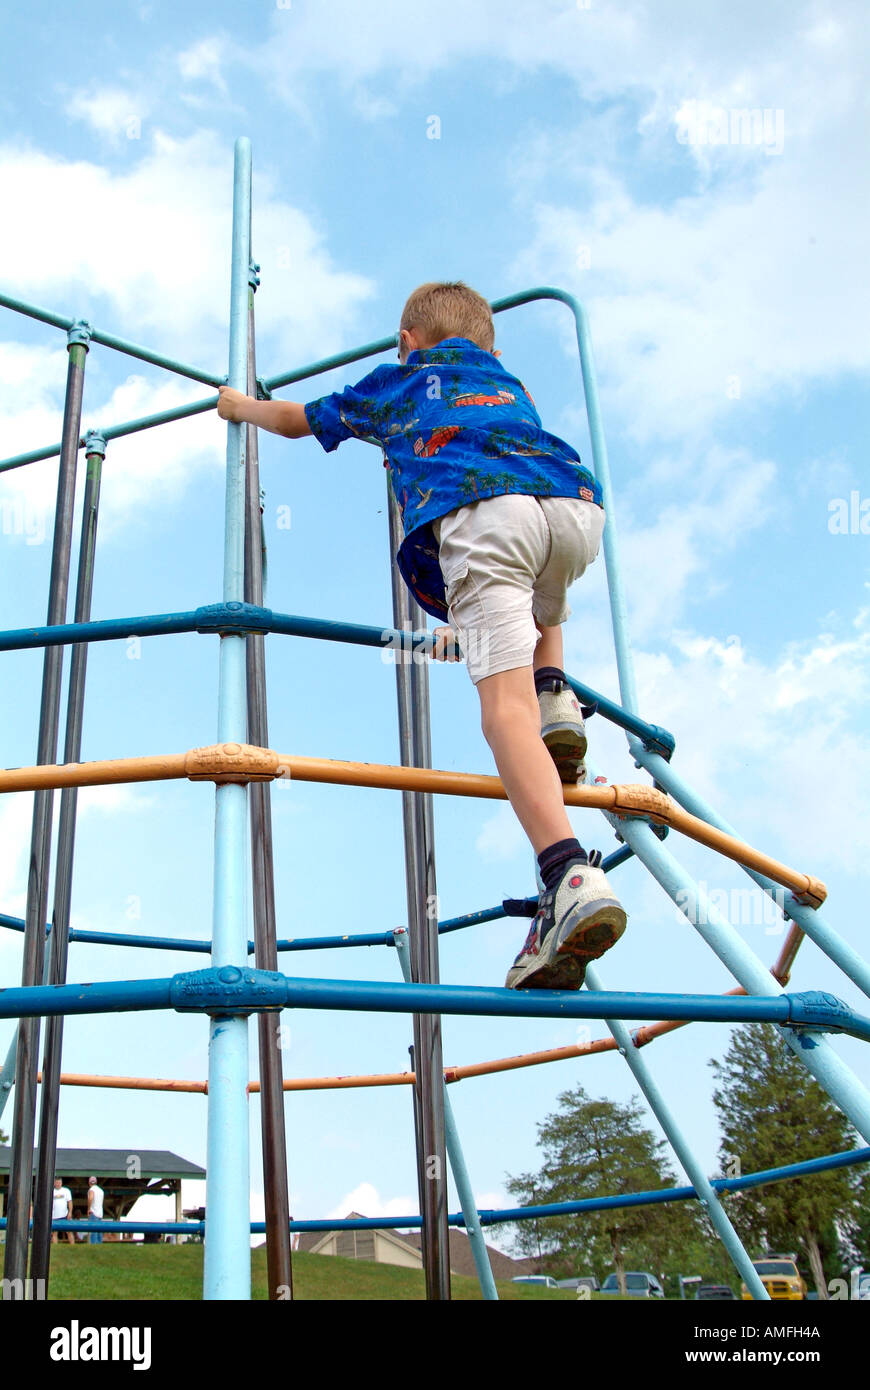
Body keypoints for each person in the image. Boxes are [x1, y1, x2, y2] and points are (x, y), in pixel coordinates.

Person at [217, 281, 627, 990]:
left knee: (504, 713)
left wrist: (238, 406)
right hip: (574, 510)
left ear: (407, 343)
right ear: (489, 346)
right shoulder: (505, 380)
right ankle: (555, 689)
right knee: (543, 597)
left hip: (486, 519)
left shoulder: (399, 382)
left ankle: (567, 872)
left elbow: (293, 419)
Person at [52, 1176, 74, 1245]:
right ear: (54, 1183)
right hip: (54, 1216)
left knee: (69, 1231)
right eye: (57, 1182)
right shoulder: (52, 1191)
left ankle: (73, 1246)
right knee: (54, 1233)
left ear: (61, 1183)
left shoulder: (66, 1191)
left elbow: (70, 1202)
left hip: (65, 1215)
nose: (58, 1184)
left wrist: (70, 1212)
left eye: (59, 1182)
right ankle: (56, 1246)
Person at [87, 1176, 105, 1244]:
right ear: (96, 1182)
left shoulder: (91, 1190)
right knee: (99, 1231)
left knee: (93, 1231)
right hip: (100, 1213)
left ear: (89, 1182)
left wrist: (88, 1209)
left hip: (93, 1212)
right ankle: (99, 1245)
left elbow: (91, 1198)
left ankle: (93, 1244)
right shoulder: (101, 1190)